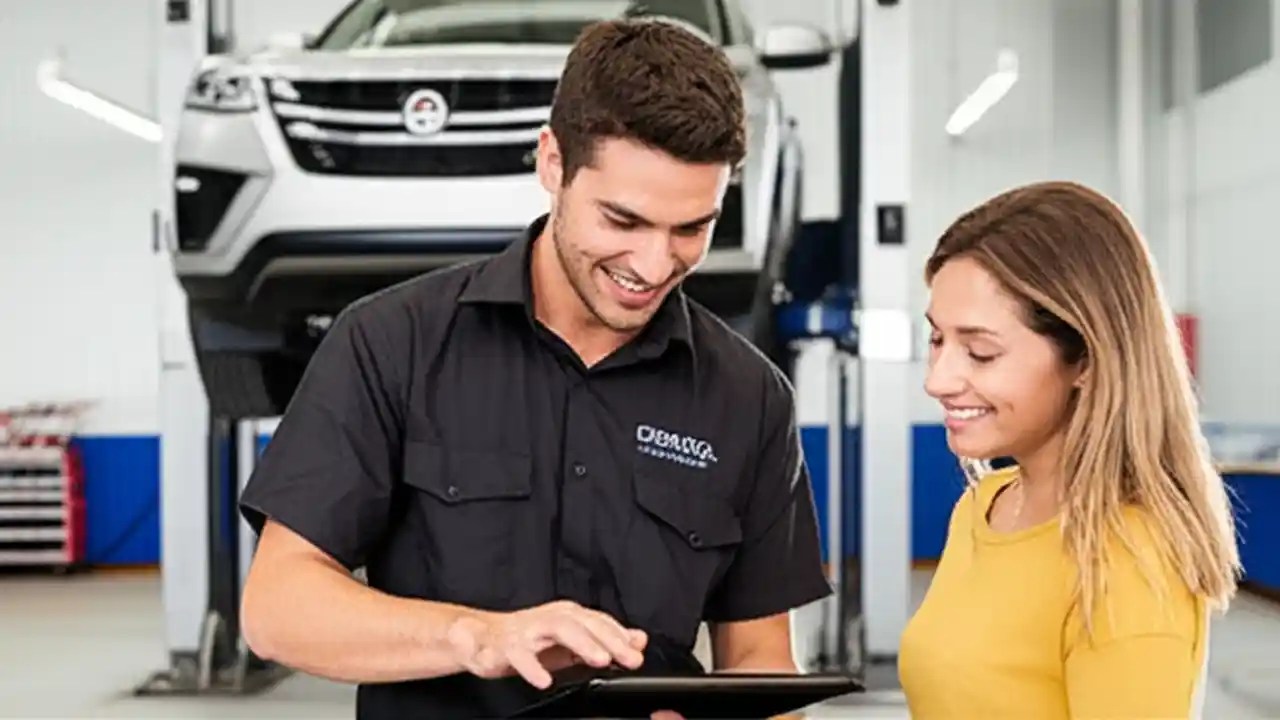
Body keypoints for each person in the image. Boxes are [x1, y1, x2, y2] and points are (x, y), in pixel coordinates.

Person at [237, 17, 831, 720]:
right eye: (623, 221)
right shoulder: (391, 344)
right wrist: (478, 638)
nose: (653, 265)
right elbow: (278, 608)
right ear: (552, 162)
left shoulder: (749, 397)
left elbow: (762, 660)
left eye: (691, 228)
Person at [899, 180, 1241, 718]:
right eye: (937, 340)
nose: (937, 380)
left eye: (980, 352)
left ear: (1086, 359)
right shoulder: (983, 505)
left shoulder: (1128, 561)